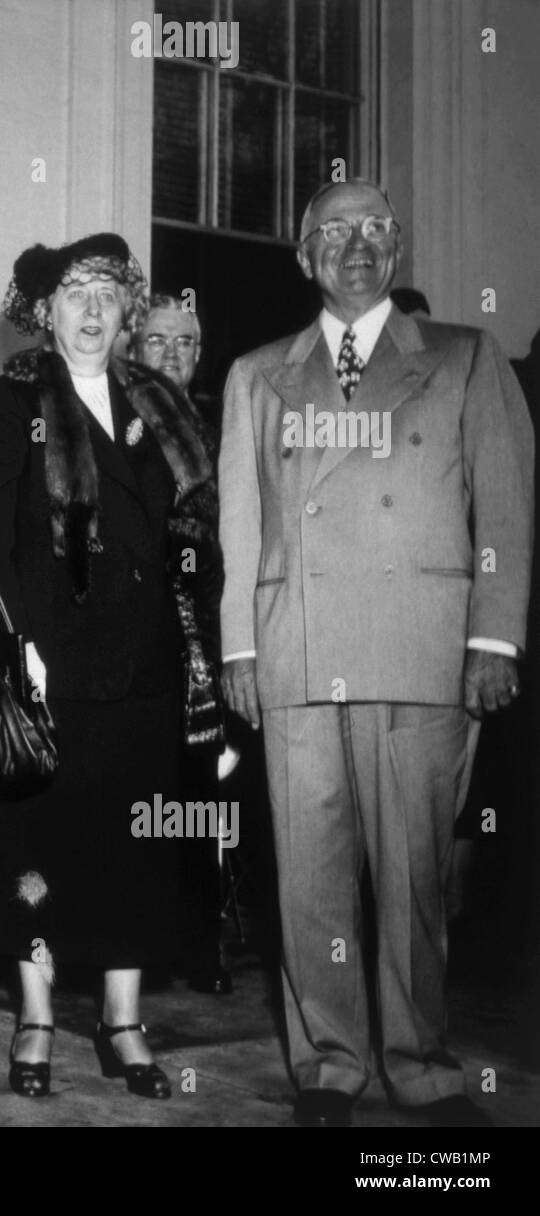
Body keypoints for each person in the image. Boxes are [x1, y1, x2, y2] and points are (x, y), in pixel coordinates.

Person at [219, 179, 533, 1128]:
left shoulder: (466, 356)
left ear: (398, 249)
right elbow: (239, 528)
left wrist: (494, 635)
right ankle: (329, 1065)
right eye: (337, 232)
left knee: (413, 878)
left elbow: (506, 509)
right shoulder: (257, 373)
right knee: (308, 875)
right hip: (300, 649)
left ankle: (420, 1063)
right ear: (305, 254)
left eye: (378, 230)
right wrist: (239, 646)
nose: (359, 245)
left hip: (421, 649)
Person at [0, 236, 223, 1100]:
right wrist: (16, 645)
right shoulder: (12, 398)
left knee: (138, 839)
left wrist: (198, 650)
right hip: (50, 658)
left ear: (128, 310)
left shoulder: (161, 402)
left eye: (108, 293)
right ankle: (35, 1017)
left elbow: (197, 536)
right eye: (74, 294)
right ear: (44, 311)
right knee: (41, 847)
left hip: (148, 661)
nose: (93, 311)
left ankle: (122, 1019)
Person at [132, 293, 233, 997]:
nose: (172, 354)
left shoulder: (224, 426)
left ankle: (200, 941)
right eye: (157, 340)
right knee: (131, 791)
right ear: (133, 347)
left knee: (201, 794)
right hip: (132, 632)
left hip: (206, 637)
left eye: (186, 342)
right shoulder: (110, 418)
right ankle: (124, 945)